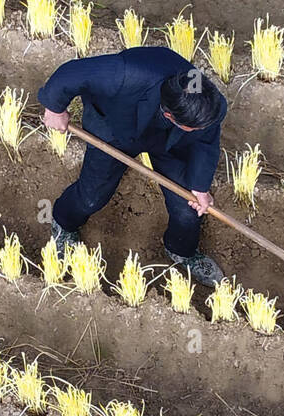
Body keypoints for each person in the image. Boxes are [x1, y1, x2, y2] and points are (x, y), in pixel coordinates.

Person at [38, 45, 228, 286]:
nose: (204, 128)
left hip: (170, 142)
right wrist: (54, 107)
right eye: (196, 127)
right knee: (91, 197)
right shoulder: (127, 73)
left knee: (188, 209)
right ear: (171, 116)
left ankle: (182, 251)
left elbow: (206, 142)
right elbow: (73, 73)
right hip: (115, 126)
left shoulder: (211, 108)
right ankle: (63, 224)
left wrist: (200, 186)